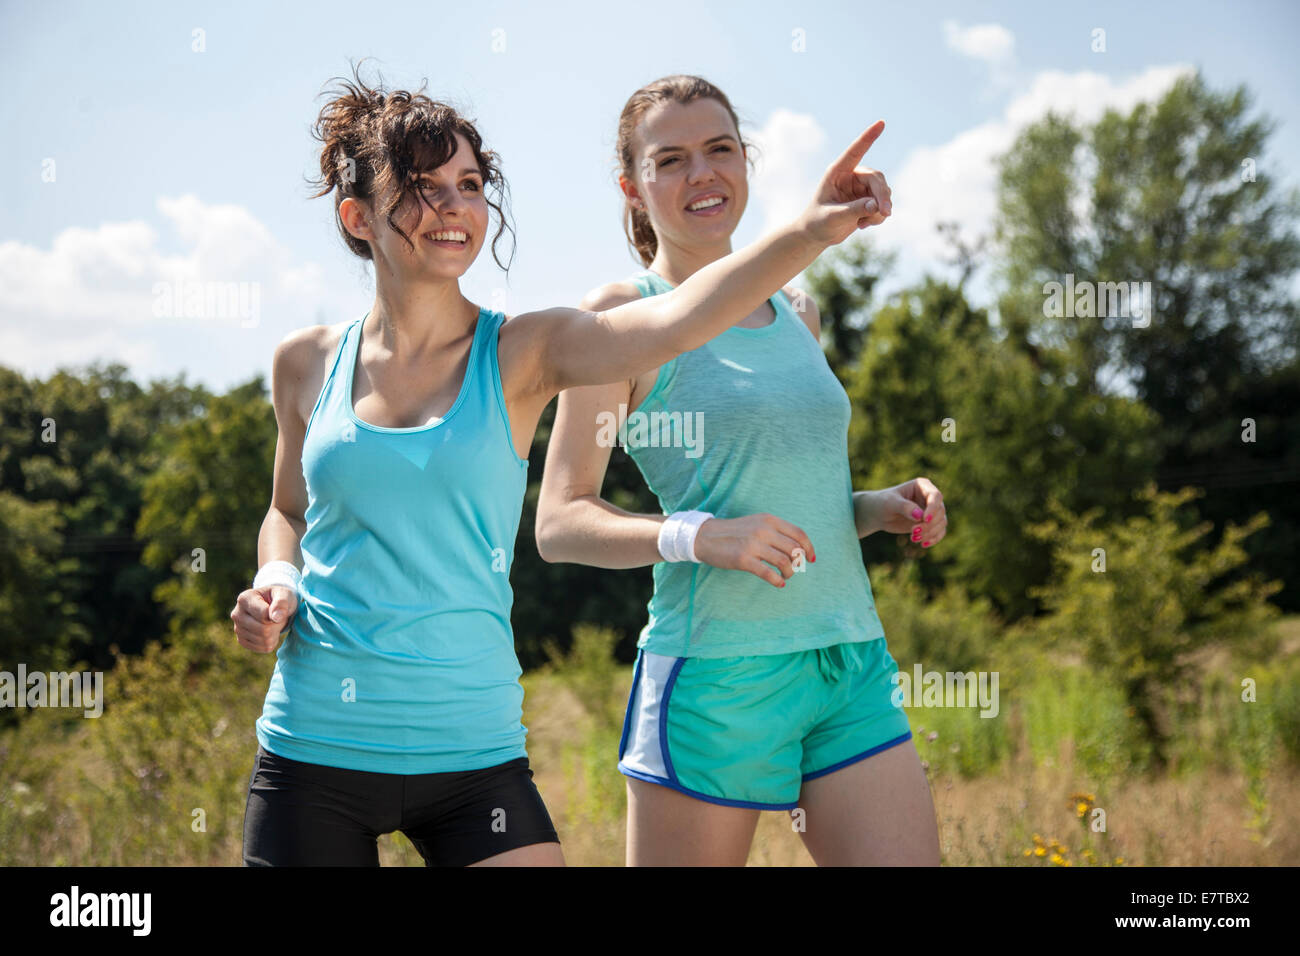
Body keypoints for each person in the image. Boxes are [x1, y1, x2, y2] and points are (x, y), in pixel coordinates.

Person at [230, 63, 893, 867]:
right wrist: (279, 581)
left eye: (470, 184)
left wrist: (809, 231)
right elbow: (288, 511)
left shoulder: (526, 350)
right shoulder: (303, 363)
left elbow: (677, 320)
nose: (454, 208)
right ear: (358, 216)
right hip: (313, 751)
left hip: (473, 759)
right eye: (420, 188)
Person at [535, 75, 944, 866]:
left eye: (720, 149)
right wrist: (699, 537)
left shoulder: (798, 310)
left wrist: (875, 507)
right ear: (633, 186)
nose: (702, 175)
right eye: (672, 159)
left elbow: (783, 499)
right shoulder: (618, 314)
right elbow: (560, 520)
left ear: (746, 161)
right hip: (717, 674)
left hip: (847, 656)